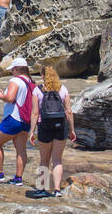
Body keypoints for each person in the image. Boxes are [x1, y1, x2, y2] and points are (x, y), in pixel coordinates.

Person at [28, 64, 76, 198]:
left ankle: (41, 188)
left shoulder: (38, 90)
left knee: (44, 160)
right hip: (61, 127)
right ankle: (57, 190)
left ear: (43, 76)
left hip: (44, 127)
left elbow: (35, 113)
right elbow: (69, 111)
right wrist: (72, 129)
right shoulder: (63, 89)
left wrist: (31, 131)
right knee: (57, 160)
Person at [0, 57, 35, 186]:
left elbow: (10, 98)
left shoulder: (15, 80)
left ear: (18, 69)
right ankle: (18, 178)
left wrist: (0, 95)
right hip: (26, 120)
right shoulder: (30, 82)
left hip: (14, 118)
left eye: (13, 69)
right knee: (21, 149)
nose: (12, 72)